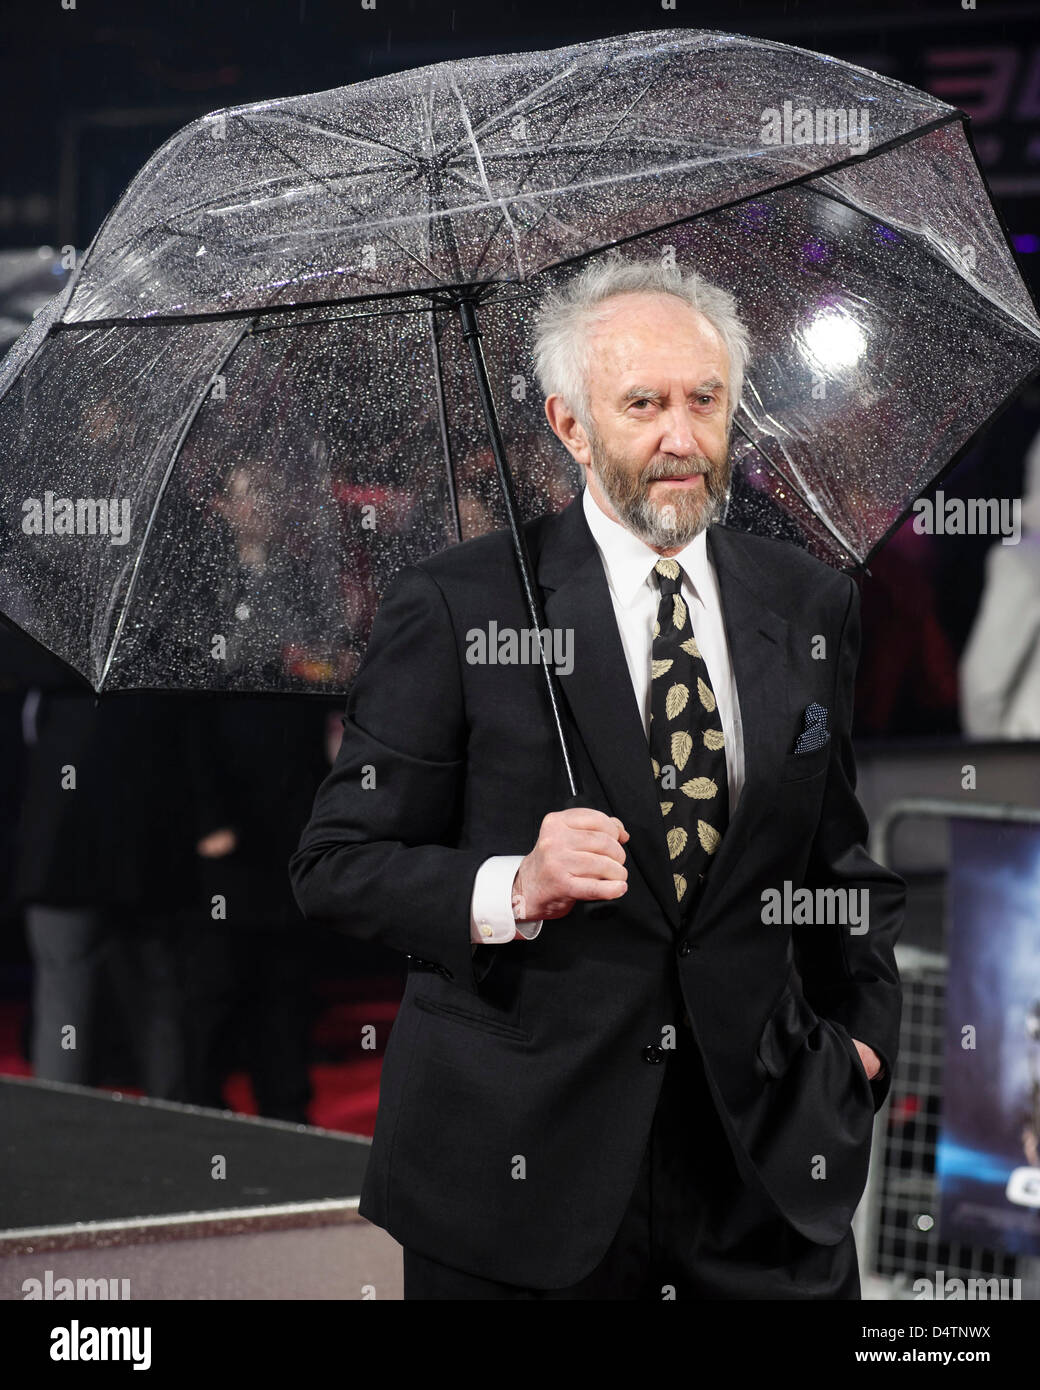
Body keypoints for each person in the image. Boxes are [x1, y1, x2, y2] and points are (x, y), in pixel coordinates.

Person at [290, 254, 906, 1300]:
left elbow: (835, 861)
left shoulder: (808, 602)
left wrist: (857, 1047)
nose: (680, 436)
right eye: (641, 404)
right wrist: (513, 886)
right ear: (569, 426)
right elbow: (336, 865)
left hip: (761, 1180)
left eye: (702, 400)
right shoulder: (458, 604)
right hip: (521, 1187)